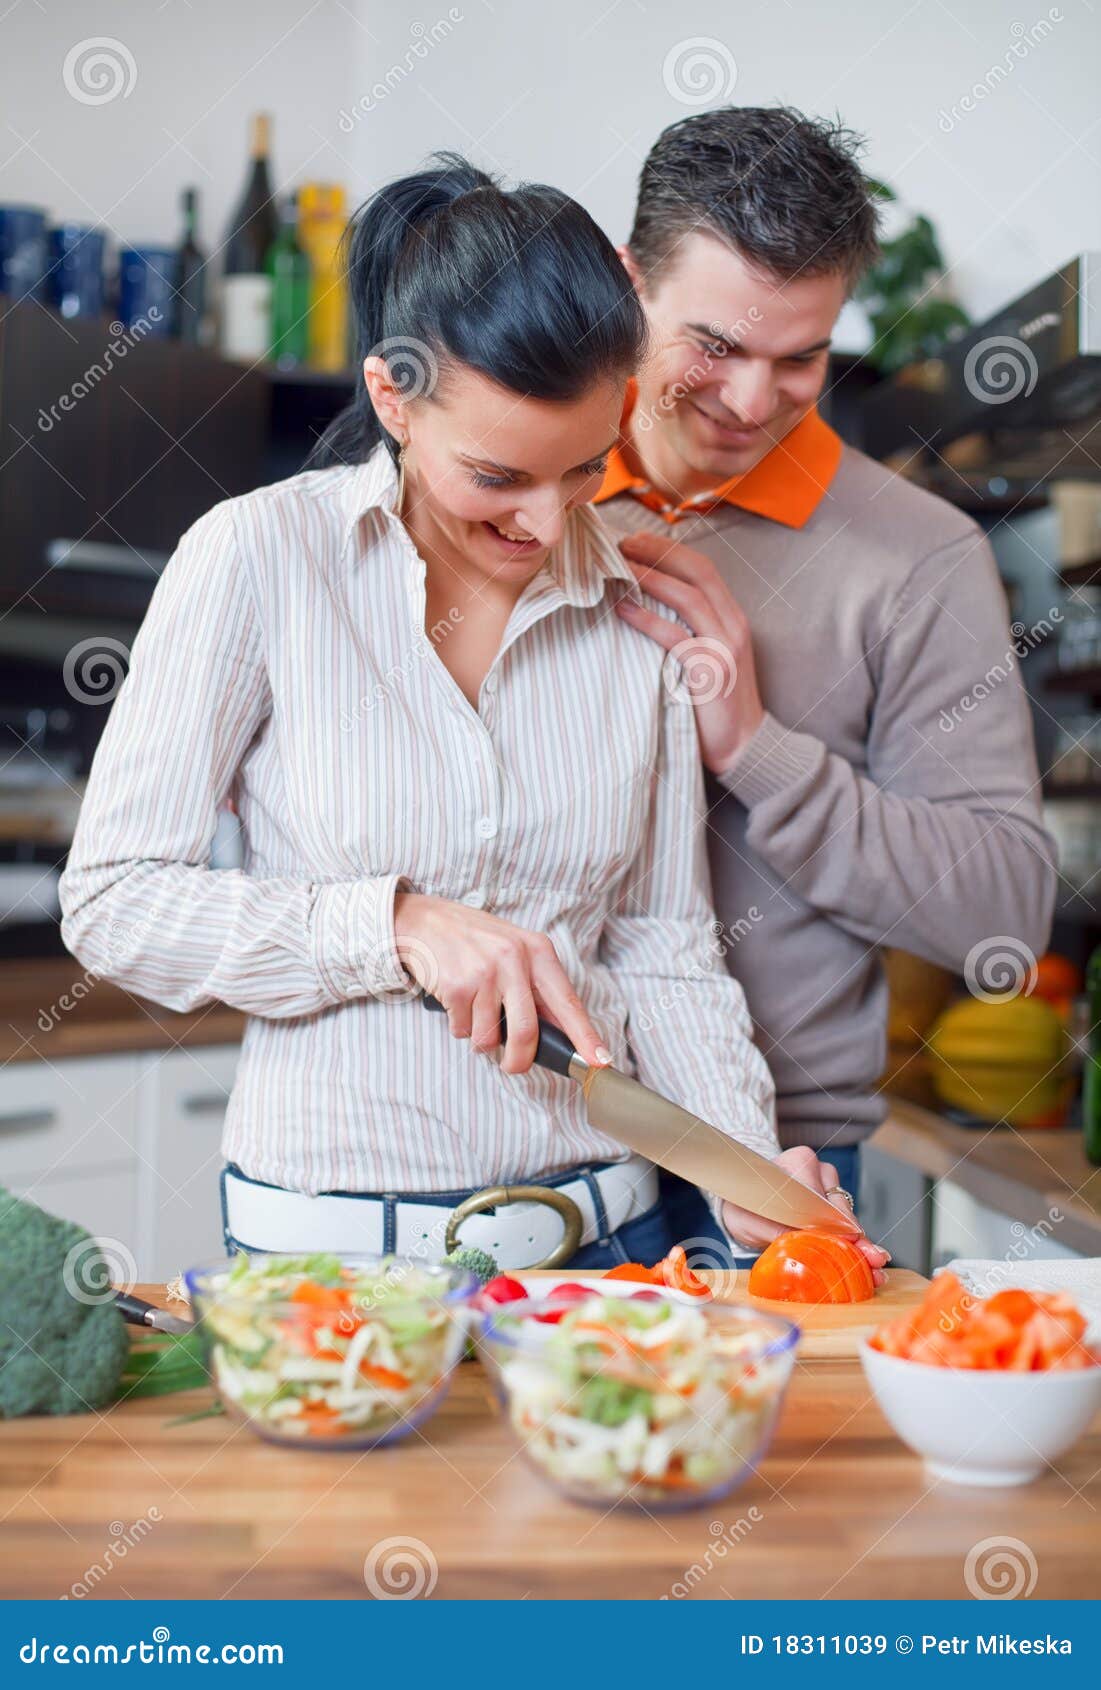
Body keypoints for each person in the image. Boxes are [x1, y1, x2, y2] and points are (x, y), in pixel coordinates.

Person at [59, 155, 887, 1278]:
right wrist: (396, 925)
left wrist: (745, 1169)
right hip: (332, 1263)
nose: (548, 523)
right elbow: (115, 904)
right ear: (393, 397)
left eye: (586, 467)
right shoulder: (259, 559)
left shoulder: (637, 599)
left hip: (607, 1247)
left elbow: (664, 945)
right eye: (498, 476)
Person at [593, 108, 1056, 1252]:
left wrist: (758, 748)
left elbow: (1003, 907)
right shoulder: (513, 492)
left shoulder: (919, 557)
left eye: (799, 356)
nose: (752, 402)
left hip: (777, 1169)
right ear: (626, 283)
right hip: (513, 1142)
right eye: (715, 345)